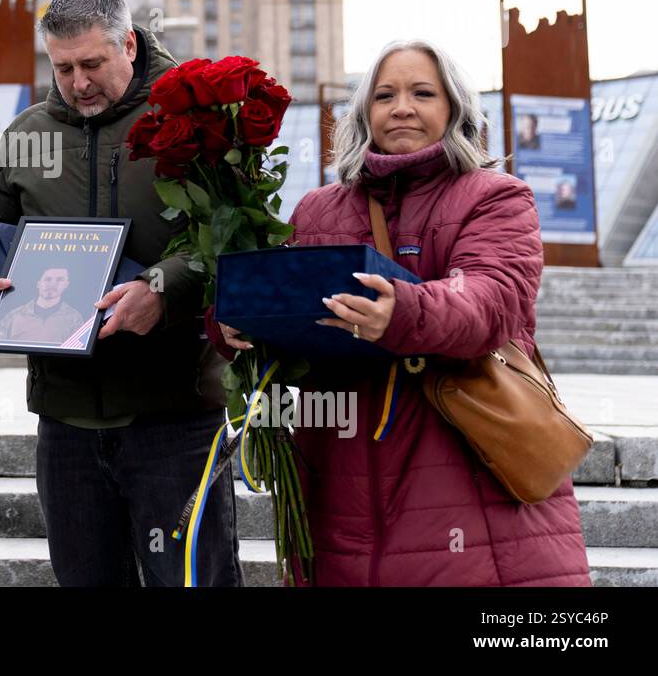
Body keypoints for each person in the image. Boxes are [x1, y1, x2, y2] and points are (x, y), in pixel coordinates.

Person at [218, 38, 591, 586]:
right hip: (337, 482)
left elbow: (493, 300)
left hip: (460, 471)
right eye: (384, 95)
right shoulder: (318, 209)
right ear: (363, 112)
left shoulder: (495, 197)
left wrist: (402, 310)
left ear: (454, 108)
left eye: (423, 92)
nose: (402, 107)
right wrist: (235, 320)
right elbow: (288, 303)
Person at [0, 0, 243, 587]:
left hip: (174, 414)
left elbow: (235, 237)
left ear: (128, 43)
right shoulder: (26, 133)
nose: (79, 82)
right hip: (66, 421)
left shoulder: (193, 116)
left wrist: (166, 289)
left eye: (92, 63)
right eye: (63, 67)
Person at [0, 265, 84, 345]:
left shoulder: (74, 318)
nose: (52, 284)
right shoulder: (14, 316)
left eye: (60, 280)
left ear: (66, 284)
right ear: (38, 283)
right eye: (48, 279)